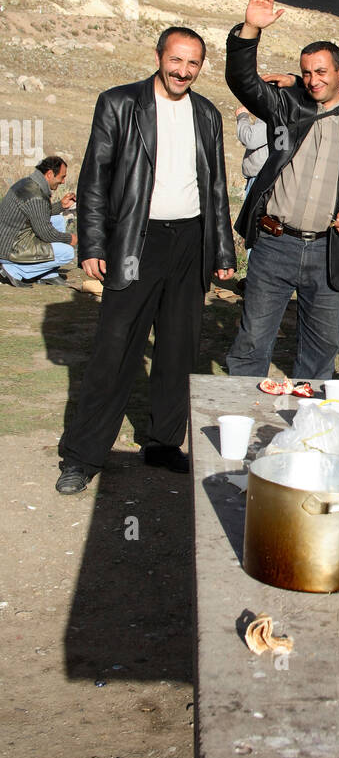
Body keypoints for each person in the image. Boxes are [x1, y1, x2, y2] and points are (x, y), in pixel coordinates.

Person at [55, 27, 235, 494]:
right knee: (115, 352)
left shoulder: (207, 113)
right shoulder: (119, 103)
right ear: (159, 56)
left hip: (190, 241)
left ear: (200, 66)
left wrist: (222, 251)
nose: (182, 71)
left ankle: (162, 443)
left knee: (178, 351)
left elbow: (215, 187)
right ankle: (82, 456)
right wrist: (93, 245)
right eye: (176, 60)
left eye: (193, 63)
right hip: (136, 241)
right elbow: (94, 178)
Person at [225, 0, 339, 381]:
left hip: (327, 251)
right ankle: (238, 428)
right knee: (251, 343)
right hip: (274, 244)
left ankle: (307, 434)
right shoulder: (288, 106)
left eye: (321, 72)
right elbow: (243, 81)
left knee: (320, 353)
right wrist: (250, 30)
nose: (313, 80)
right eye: (306, 73)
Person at [0, 156, 77, 286]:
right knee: (67, 253)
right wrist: (70, 238)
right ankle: (13, 270)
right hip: (9, 250)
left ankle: (48, 273)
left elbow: (38, 213)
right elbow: (45, 233)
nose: (63, 182)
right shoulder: (36, 195)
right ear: (50, 174)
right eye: (62, 177)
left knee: (58, 219)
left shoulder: (29, 183)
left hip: (9, 239)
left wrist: (61, 206)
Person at [236, 71, 299, 196]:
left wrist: (242, 116)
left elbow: (250, 138)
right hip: (268, 176)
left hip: (259, 177)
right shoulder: (292, 115)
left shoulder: (275, 115)